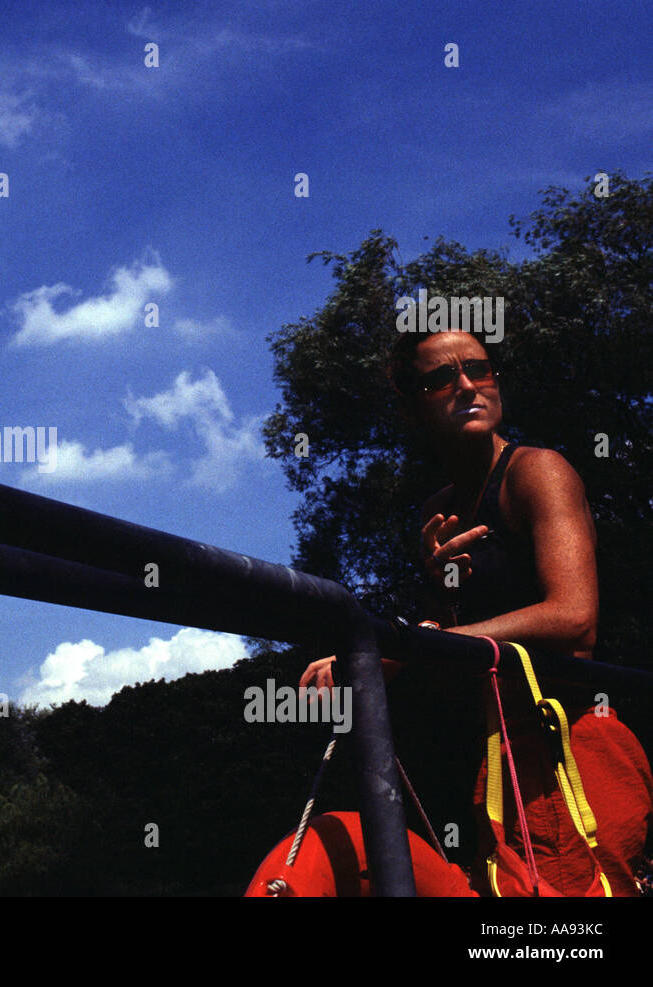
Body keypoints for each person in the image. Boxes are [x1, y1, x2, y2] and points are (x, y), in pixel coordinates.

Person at [251, 326, 652, 896]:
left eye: (479, 369)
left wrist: (401, 645)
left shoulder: (538, 471)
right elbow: (453, 652)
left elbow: (574, 619)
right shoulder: (440, 510)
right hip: (498, 759)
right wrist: (430, 610)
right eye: (441, 378)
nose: (467, 385)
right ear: (413, 407)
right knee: (345, 845)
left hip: (572, 754)